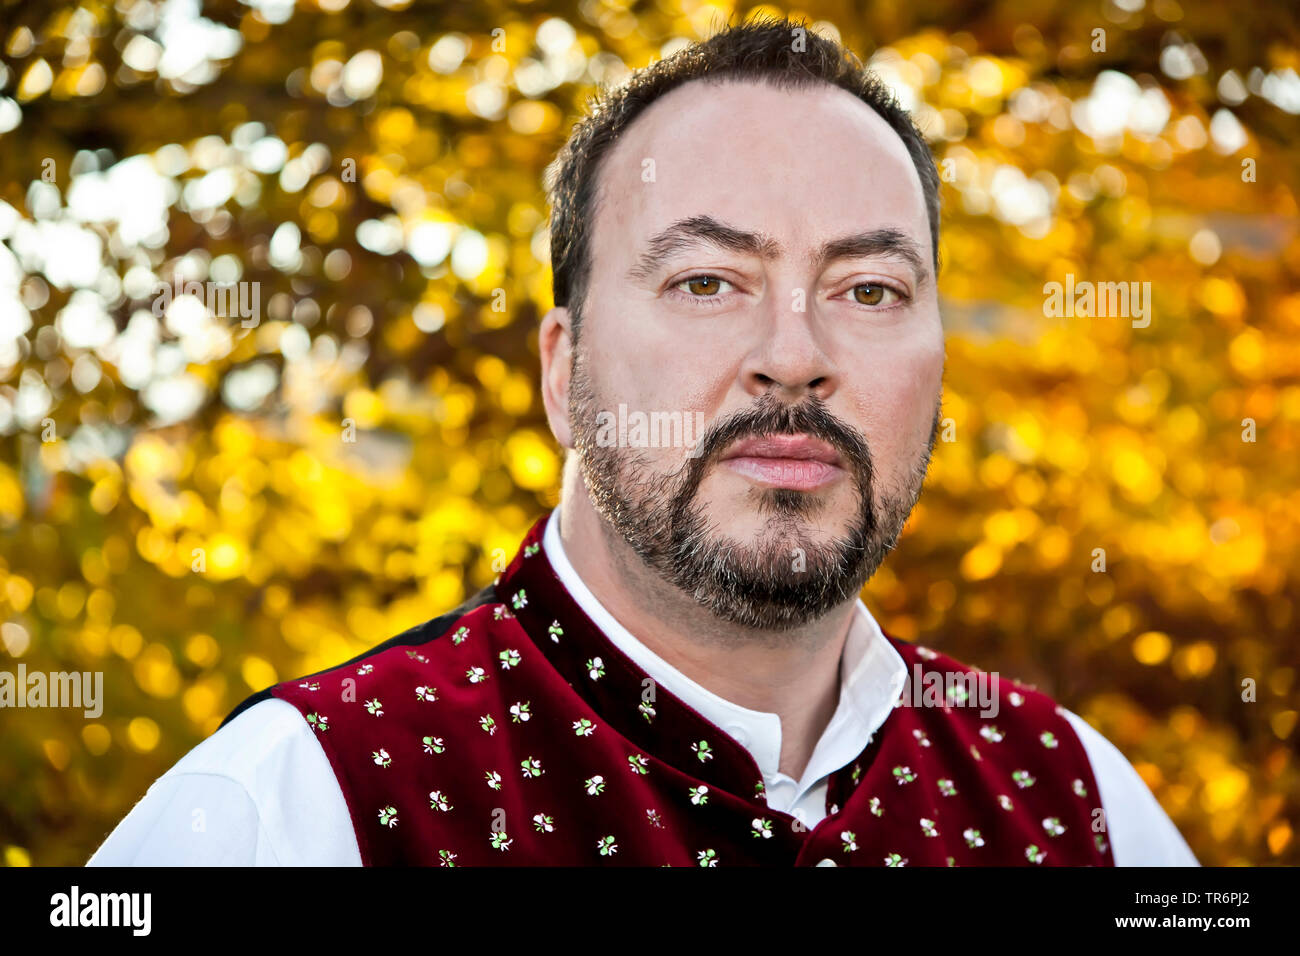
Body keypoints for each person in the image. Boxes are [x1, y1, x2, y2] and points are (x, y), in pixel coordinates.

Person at [89, 15, 1197, 867]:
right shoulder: (291, 811)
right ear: (563, 373)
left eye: (868, 288)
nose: (794, 354)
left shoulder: (1078, 804)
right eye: (707, 280)